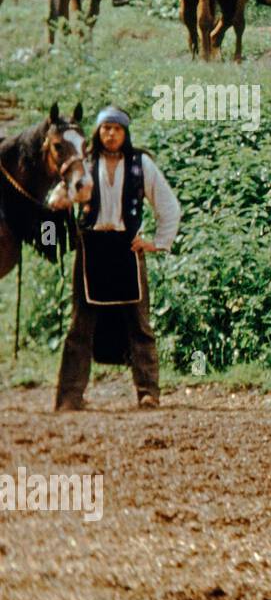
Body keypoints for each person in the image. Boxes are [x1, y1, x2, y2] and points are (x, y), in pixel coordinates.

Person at [55, 107, 181, 411]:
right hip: (92, 250)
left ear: (125, 133)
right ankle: (70, 396)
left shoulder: (141, 165)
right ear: (98, 133)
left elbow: (169, 205)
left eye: (117, 129)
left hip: (127, 249)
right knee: (80, 327)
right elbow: (58, 199)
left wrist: (157, 243)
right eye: (105, 128)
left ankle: (148, 393)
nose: (110, 134)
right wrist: (60, 201)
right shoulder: (83, 164)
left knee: (139, 325)